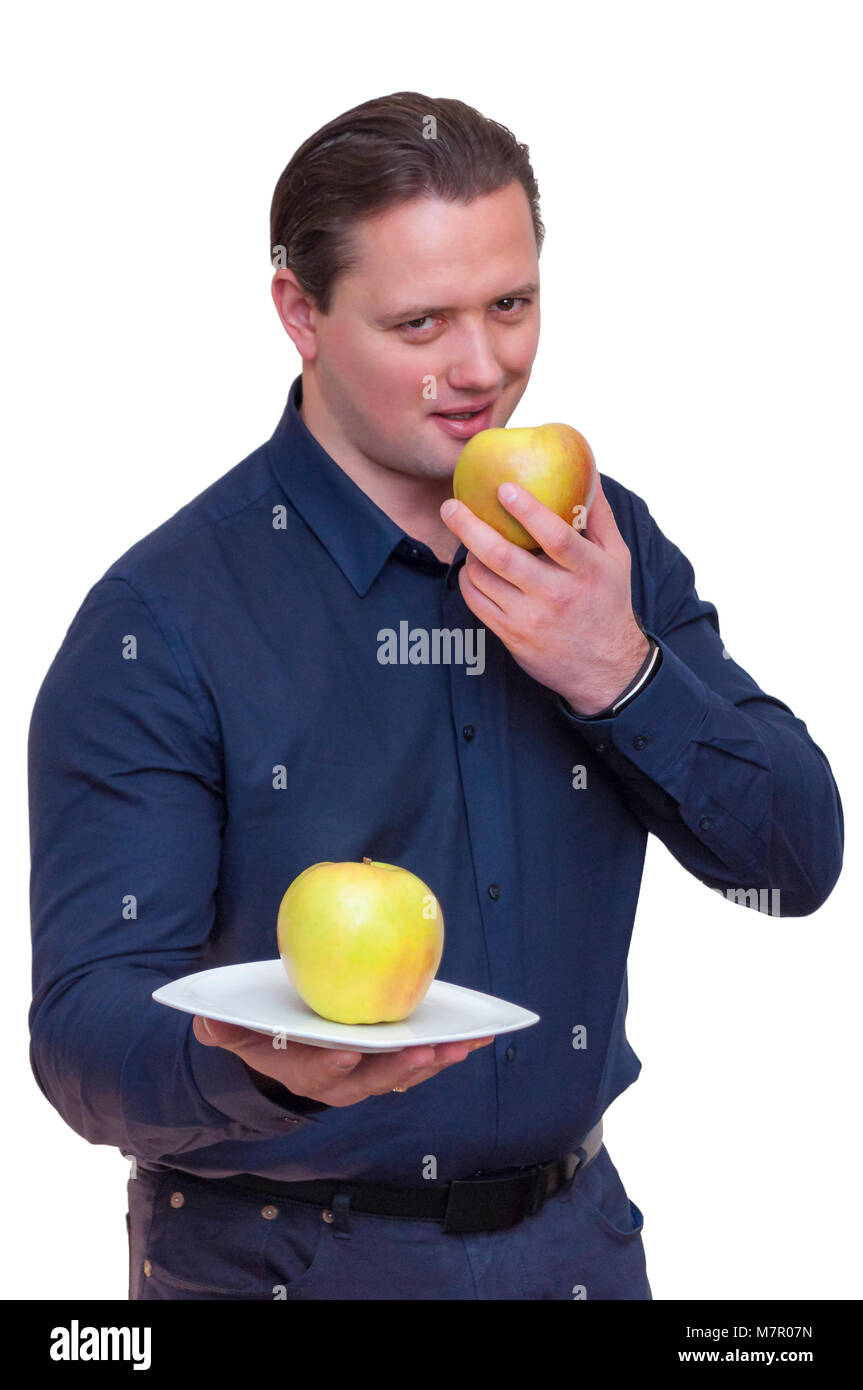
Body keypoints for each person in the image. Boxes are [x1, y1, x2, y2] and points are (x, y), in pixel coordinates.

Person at [27, 91, 843, 1302]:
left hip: (578, 1250)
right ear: (298, 313)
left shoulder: (605, 555)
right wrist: (261, 1069)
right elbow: (83, 1034)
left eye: (509, 304)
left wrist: (617, 673)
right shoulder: (165, 620)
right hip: (280, 1265)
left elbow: (791, 862)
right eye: (419, 323)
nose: (484, 368)